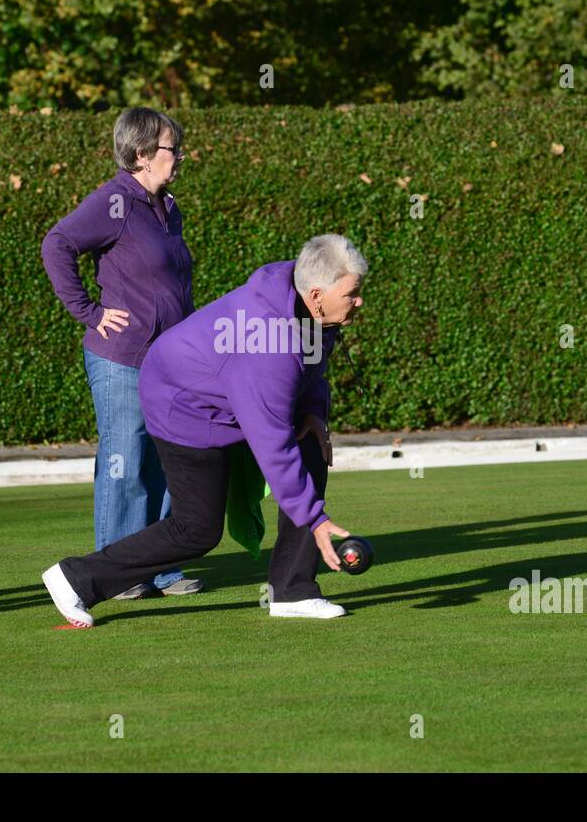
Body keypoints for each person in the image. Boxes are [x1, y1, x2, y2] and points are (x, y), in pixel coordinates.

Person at [42, 234, 367, 628]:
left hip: (228, 396)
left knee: (310, 446)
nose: (359, 301)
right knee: (196, 529)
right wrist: (315, 519)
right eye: (353, 293)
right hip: (181, 406)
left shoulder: (306, 303)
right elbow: (272, 443)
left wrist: (314, 412)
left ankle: (293, 591)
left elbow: (312, 361)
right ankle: (74, 578)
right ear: (317, 294)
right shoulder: (268, 346)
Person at [40, 107, 203, 599]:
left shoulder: (166, 207)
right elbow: (58, 243)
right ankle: (115, 573)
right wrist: (89, 312)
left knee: (165, 460)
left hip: (170, 361)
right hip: (122, 358)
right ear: (141, 154)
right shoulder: (114, 200)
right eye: (172, 148)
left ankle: (162, 568)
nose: (180, 156)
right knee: (125, 461)